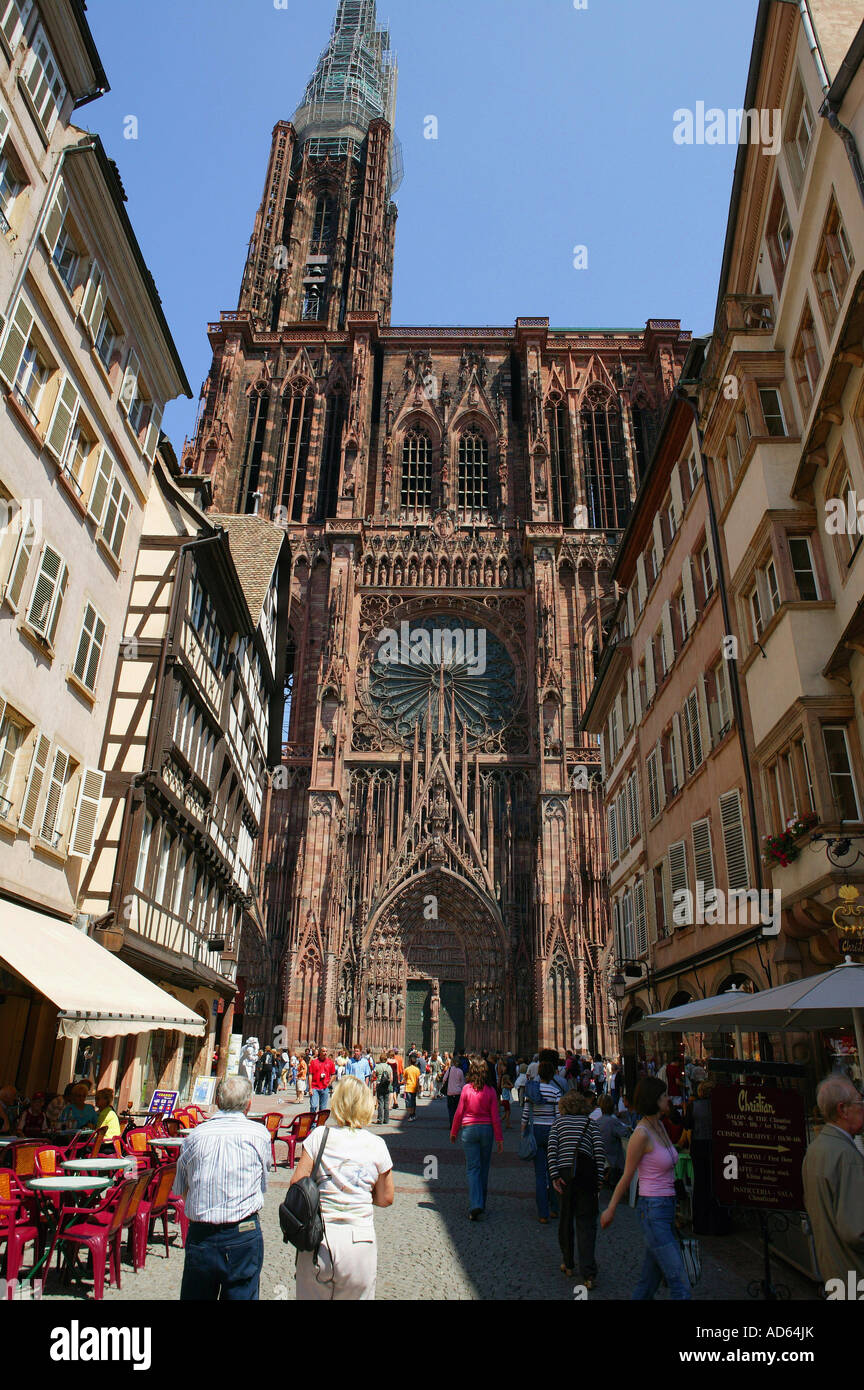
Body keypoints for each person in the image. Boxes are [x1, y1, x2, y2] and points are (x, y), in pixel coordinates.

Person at [291, 1076, 394, 1300]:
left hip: (319, 1239)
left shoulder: (320, 1136)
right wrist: (361, 1192)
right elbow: (386, 1198)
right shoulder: (377, 1145)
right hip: (360, 1243)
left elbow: (296, 1186)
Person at [173, 1076, 271, 1300]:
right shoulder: (259, 1135)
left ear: (217, 1101)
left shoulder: (194, 1137)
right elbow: (262, 1183)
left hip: (201, 1235)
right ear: (249, 1104)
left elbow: (180, 1187)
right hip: (243, 1233)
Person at [600, 1077, 691, 1300]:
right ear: (653, 1100)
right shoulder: (641, 1134)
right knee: (680, 1282)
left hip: (667, 1208)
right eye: (663, 1096)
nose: (668, 1098)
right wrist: (610, 1209)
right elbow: (627, 1175)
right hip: (653, 1210)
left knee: (648, 1284)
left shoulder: (659, 1125)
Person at [802, 1074, 864, 1287]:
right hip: (855, 1274)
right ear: (842, 1110)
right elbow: (857, 1231)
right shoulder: (846, 1157)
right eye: (859, 1102)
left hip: (833, 1270)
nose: (863, 1106)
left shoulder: (815, 1149)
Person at [548, 1089, 606, 1285]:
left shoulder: (558, 1124)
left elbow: (552, 1150)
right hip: (586, 1176)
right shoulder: (591, 1124)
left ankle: (568, 1263)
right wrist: (599, 1178)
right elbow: (599, 1152)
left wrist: (554, 1175)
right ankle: (588, 1272)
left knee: (565, 1220)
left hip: (565, 1175)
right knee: (586, 1223)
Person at [450, 1055, 503, 1220]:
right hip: (487, 1130)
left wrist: (454, 1131)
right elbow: (495, 1116)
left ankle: (475, 1204)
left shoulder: (466, 1089)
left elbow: (459, 1112)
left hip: (469, 1130)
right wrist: (499, 1138)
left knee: (473, 1169)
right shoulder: (491, 1091)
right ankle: (481, 1204)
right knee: (484, 1168)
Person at [522, 1053, 566, 1223]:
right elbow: (559, 1115)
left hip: (536, 1132)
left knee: (540, 1174)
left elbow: (526, 1114)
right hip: (552, 1132)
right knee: (553, 1171)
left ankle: (542, 1213)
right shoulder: (556, 1091)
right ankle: (555, 1208)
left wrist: (523, 1131)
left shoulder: (532, 1090)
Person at [596, 1094, 629, 1189]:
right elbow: (625, 1133)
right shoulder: (613, 1122)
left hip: (603, 1153)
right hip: (612, 1156)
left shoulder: (598, 1121)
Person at [308, 1046, 336, 1116]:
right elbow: (310, 1075)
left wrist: (330, 1082)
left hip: (324, 1088)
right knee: (313, 1106)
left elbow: (333, 1074)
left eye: (326, 1051)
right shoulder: (314, 1062)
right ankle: (312, 1124)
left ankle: (320, 1124)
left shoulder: (330, 1063)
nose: (325, 1053)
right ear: (320, 1052)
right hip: (315, 1087)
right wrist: (310, 1088)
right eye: (323, 1051)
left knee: (323, 1109)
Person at [443, 1053, 465, 1125]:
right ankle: (456, 1123)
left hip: (450, 1092)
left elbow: (444, 1079)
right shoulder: (460, 1071)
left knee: (450, 1110)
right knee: (457, 1110)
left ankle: (451, 1124)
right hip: (458, 1093)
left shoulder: (449, 1070)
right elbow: (462, 1083)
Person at [374, 1053, 393, 1125]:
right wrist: (389, 1085)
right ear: (386, 1059)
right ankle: (386, 1119)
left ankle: (380, 1119)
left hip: (380, 1086)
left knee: (380, 1102)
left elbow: (374, 1075)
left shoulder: (377, 1066)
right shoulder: (389, 1067)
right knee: (387, 1103)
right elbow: (391, 1078)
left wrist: (375, 1083)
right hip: (387, 1087)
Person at [403, 1056, 421, 1121]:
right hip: (414, 1087)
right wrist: (418, 1087)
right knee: (413, 1101)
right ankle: (413, 1114)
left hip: (408, 1087)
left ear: (410, 1061)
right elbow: (418, 1079)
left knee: (408, 1102)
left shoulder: (407, 1069)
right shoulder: (417, 1070)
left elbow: (404, 1079)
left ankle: (411, 1115)